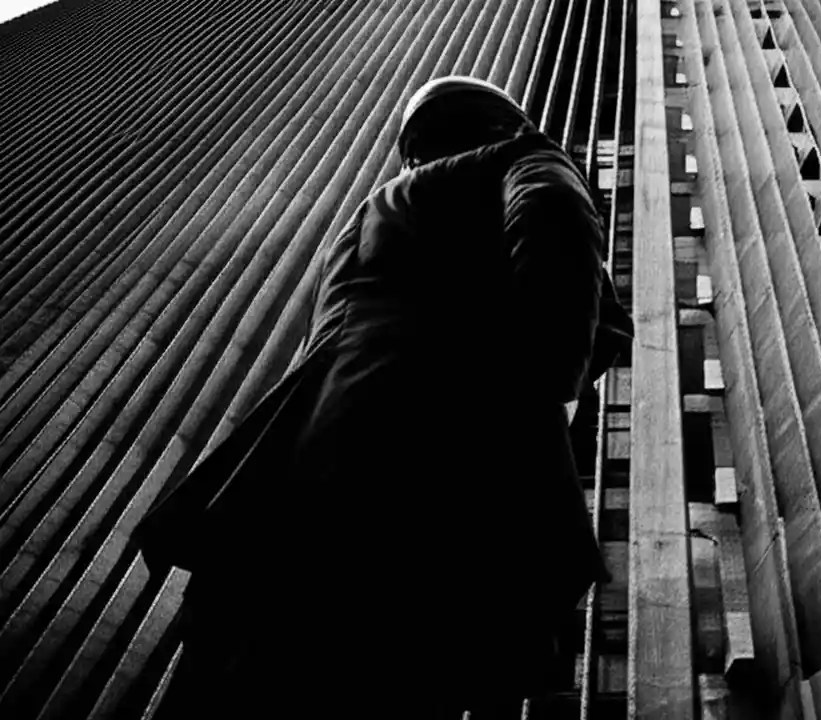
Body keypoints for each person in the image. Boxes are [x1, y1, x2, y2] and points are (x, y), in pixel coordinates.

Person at [134, 75, 634, 719]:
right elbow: (558, 227)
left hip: (287, 478)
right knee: (400, 668)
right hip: (428, 464)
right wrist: (551, 382)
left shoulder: (372, 215)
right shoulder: (518, 157)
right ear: (501, 123)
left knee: (242, 672)